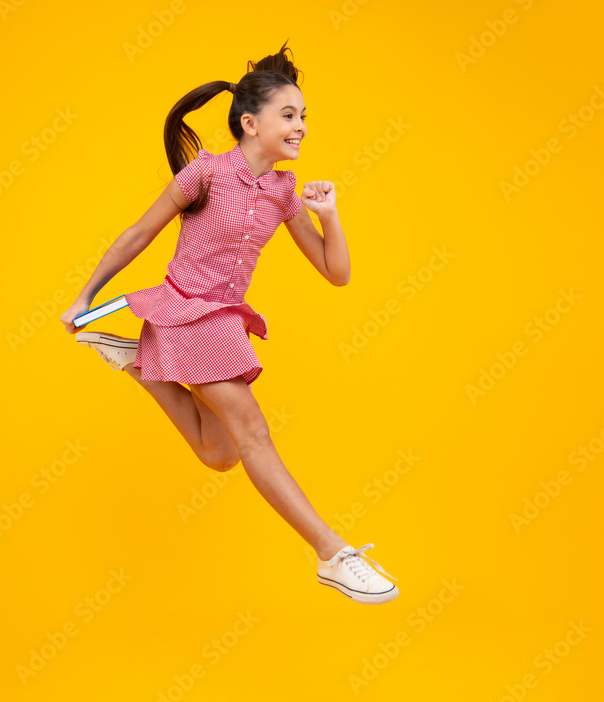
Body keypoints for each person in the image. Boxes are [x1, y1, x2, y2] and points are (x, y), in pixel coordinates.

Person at [59, 40, 398, 605]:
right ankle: (333, 555)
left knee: (220, 454)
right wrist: (84, 296)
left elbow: (335, 273)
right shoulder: (205, 174)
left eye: (304, 117)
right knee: (254, 434)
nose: (301, 127)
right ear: (250, 122)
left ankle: (135, 361)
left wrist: (330, 215)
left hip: (222, 319)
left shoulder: (285, 193)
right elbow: (138, 235)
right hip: (185, 310)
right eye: (289, 115)